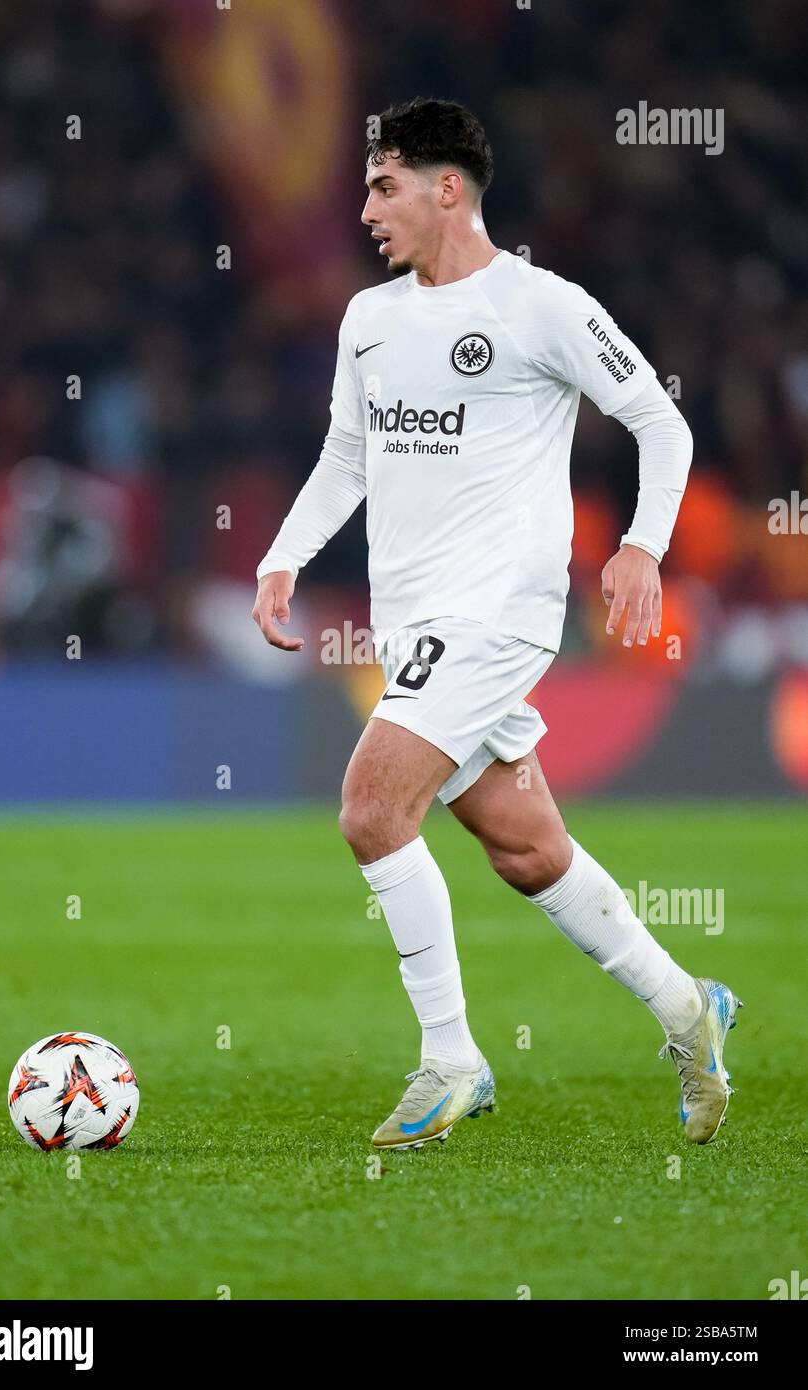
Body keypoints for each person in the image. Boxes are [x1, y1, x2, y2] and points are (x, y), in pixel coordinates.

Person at [252, 98, 741, 1150]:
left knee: (370, 808)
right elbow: (348, 455)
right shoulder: (368, 320)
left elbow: (660, 421)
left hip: (498, 613)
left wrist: (642, 546)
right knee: (526, 850)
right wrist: (286, 551)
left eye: (383, 186)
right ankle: (688, 1012)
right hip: (414, 622)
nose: (366, 207)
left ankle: (450, 1060)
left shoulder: (540, 306)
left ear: (446, 188)